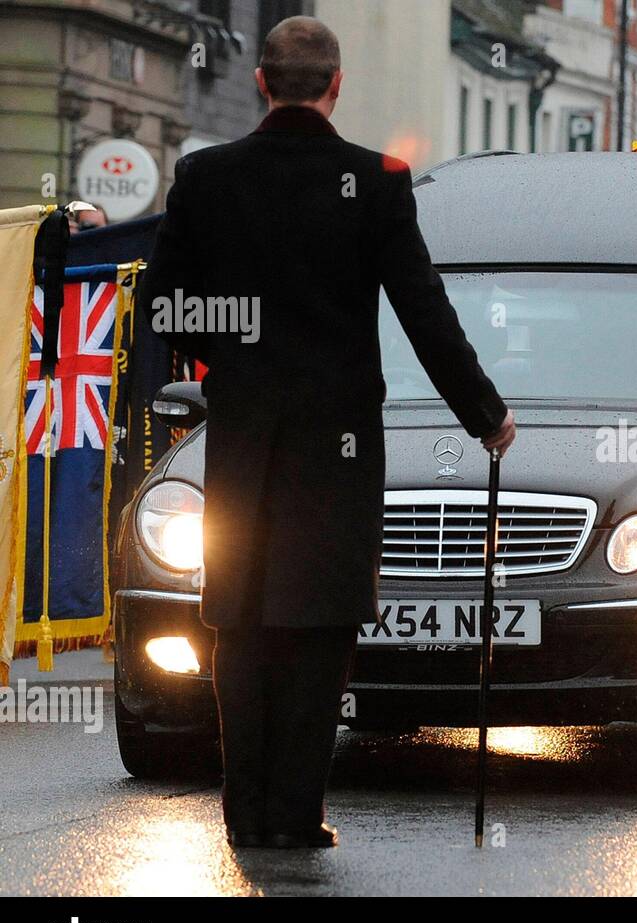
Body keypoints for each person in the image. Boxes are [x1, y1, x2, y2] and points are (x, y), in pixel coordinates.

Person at [138, 16, 515, 848]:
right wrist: (485, 415)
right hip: (336, 450)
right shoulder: (375, 181)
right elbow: (424, 312)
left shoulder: (205, 177)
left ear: (263, 82)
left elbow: (160, 305)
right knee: (318, 627)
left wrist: (233, 350)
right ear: (335, 86)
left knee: (238, 620)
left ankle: (245, 814)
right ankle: (297, 812)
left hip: (240, 442)